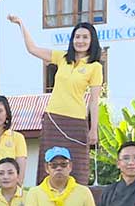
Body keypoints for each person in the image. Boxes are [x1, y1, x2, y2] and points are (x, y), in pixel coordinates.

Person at [9, 16, 103, 185]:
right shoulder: (62, 58)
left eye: (85, 37)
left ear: (92, 41)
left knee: (77, 168)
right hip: (53, 119)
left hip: (77, 123)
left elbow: (94, 101)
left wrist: (93, 129)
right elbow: (32, 49)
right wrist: (21, 23)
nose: (80, 41)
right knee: (49, 163)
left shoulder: (94, 67)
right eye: (77, 37)